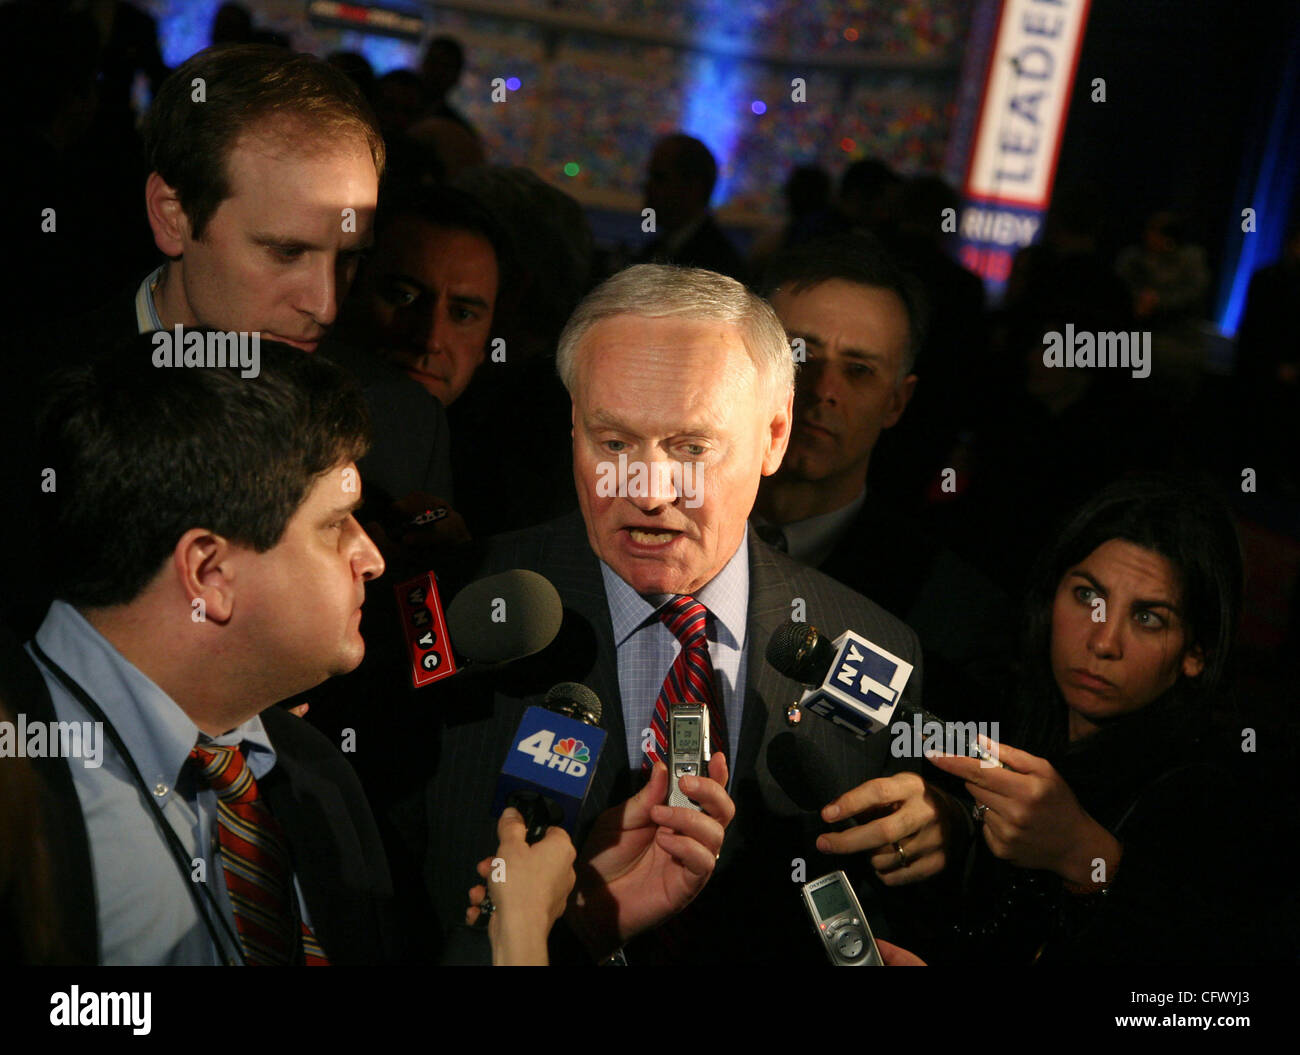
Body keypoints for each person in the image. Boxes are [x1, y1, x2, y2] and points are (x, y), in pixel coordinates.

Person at [394, 265, 966, 964]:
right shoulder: (451, 615)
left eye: (691, 448)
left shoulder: (873, 644)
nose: (649, 490)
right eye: (613, 443)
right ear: (572, 423)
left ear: (775, 436)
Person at [15, 335, 573, 965]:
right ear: (209, 573)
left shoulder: (313, 771)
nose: (372, 557)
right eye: (336, 524)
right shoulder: (23, 792)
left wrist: (525, 933)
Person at [922, 475, 1262, 963]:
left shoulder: (1210, 800)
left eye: (1148, 618)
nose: (1103, 642)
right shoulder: (988, 710)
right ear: (1052, 594)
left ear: (1196, 652)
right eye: (1087, 597)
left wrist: (1085, 857)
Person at [753, 235, 1015, 721]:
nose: (824, 390)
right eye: (799, 355)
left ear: (897, 401)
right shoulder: (646, 534)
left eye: (859, 370)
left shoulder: (952, 613)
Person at [637, 134, 747, 282]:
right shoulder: (656, 249)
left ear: (692, 188)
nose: (647, 187)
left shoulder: (716, 265)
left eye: (659, 178)